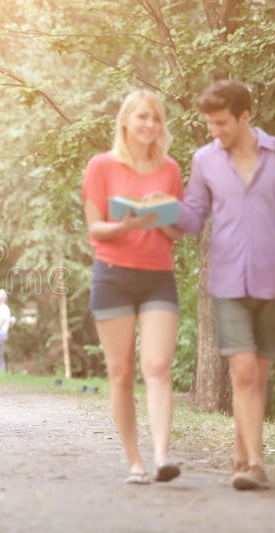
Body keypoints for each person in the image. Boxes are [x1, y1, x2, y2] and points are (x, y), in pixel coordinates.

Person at [178, 79, 275, 491]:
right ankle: (256, 465)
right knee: (242, 371)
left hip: (272, 278)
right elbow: (192, 217)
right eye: (209, 123)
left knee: (257, 376)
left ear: (246, 116)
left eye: (222, 122)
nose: (215, 131)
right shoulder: (204, 159)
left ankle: (241, 459)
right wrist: (161, 209)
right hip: (225, 280)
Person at [82, 89, 183, 484]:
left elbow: (177, 231)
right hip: (113, 276)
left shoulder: (170, 169)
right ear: (125, 120)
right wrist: (125, 225)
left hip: (158, 276)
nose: (149, 125)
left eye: (156, 119)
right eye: (142, 117)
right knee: (121, 373)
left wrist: (161, 214)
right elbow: (95, 228)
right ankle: (134, 460)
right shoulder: (101, 166)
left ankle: (161, 457)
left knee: (157, 367)